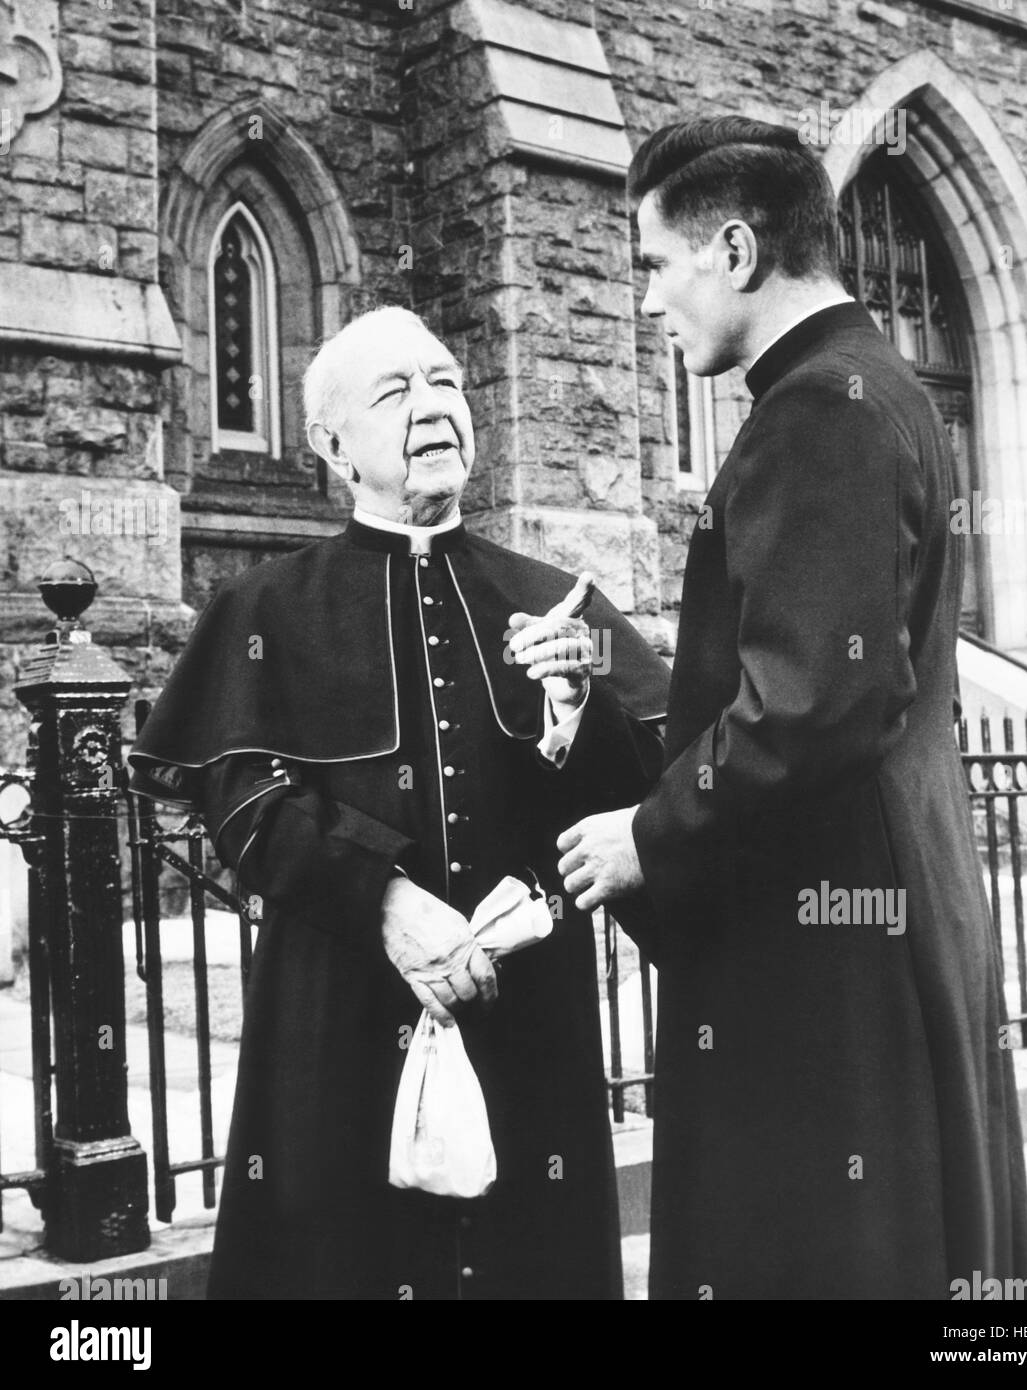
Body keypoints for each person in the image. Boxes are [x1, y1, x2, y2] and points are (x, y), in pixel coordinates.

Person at [557, 118, 1027, 1300]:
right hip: (883, 912)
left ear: (731, 249)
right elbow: (820, 664)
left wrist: (647, 834)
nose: (650, 303)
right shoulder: (878, 385)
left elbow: (809, 705)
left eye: (656, 266)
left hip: (824, 962)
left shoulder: (815, 412)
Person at [129, 305, 669, 1300]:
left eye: (445, 384)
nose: (431, 408)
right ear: (332, 446)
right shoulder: (264, 610)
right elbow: (238, 798)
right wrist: (380, 895)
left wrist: (570, 712)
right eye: (395, 392)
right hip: (341, 1009)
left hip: (524, 1014)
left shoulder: (559, 603)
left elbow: (643, 805)